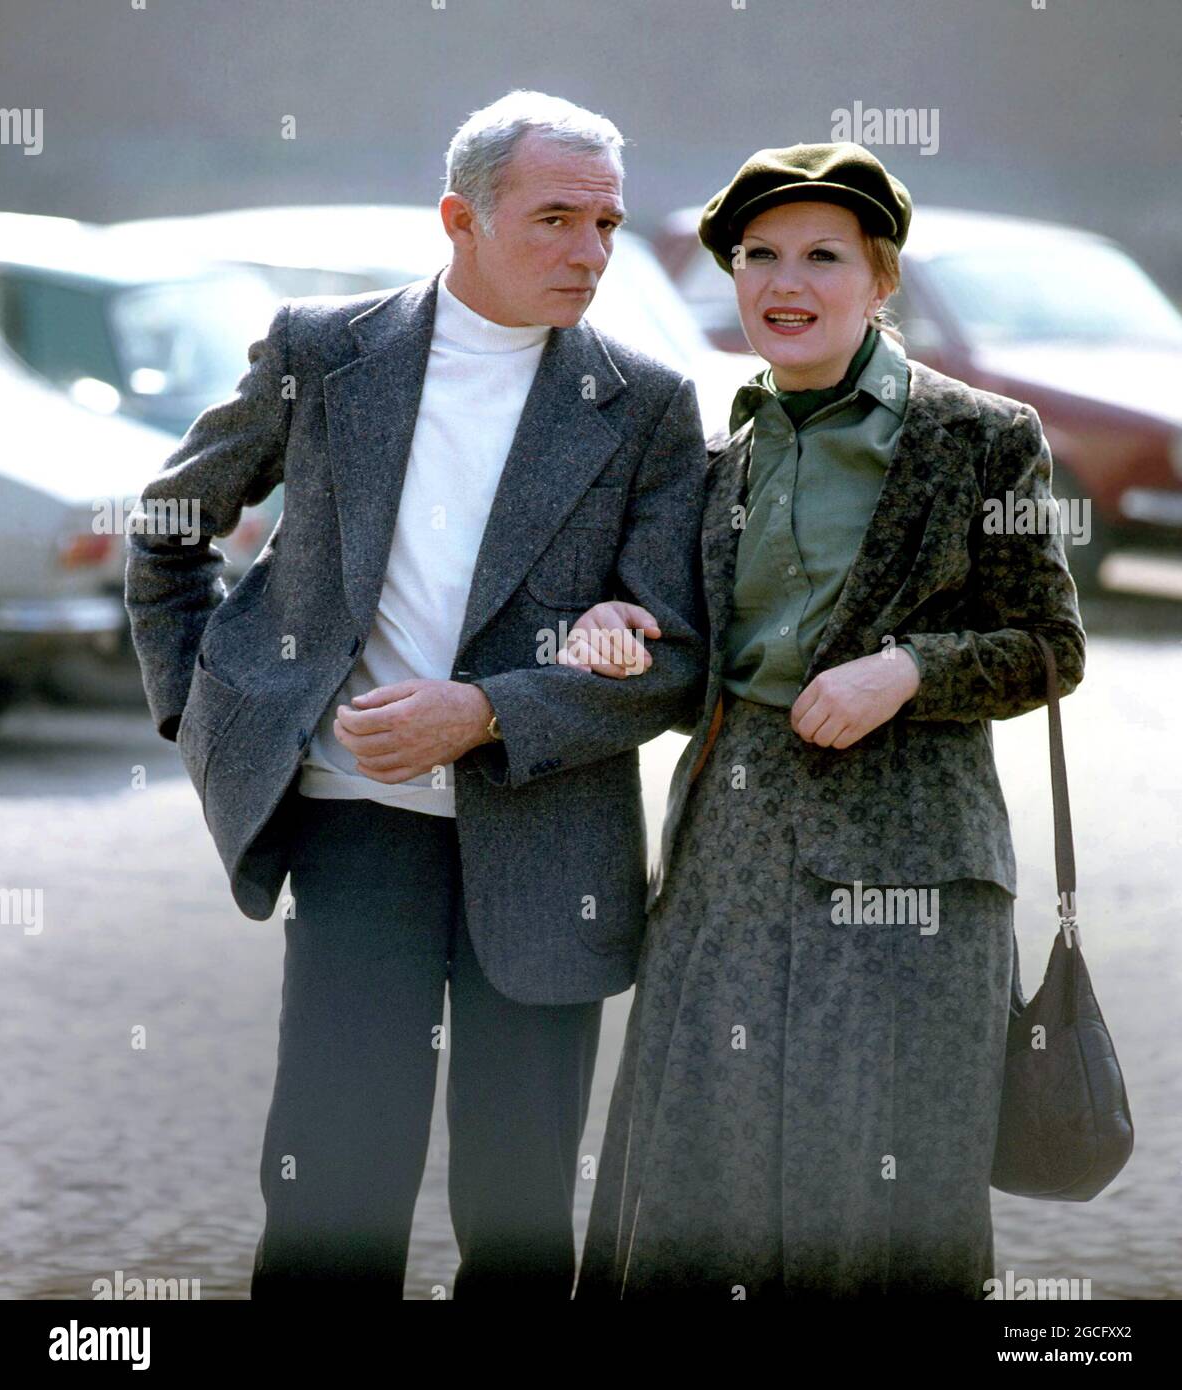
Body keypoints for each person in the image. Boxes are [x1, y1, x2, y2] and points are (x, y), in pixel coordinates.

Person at [123, 89, 709, 1301]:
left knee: (517, 1219)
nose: (589, 252)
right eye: (555, 219)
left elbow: (675, 658)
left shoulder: (648, 402)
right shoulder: (321, 351)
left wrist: (488, 710)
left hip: (552, 843)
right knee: (331, 1190)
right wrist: (208, 710)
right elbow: (173, 523)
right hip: (353, 837)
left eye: (605, 224)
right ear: (459, 217)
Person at [567, 142, 1086, 1299]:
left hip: (913, 867)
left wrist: (905, 670)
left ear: (881, 276)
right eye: (758, 256)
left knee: (884, 1194)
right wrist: (614, 619)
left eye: (821, 256)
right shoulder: (715, 454)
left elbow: (1050, 646)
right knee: (706, 1175)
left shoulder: (984, 437)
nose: (783, 282)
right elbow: (685, 641)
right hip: (731, 856)